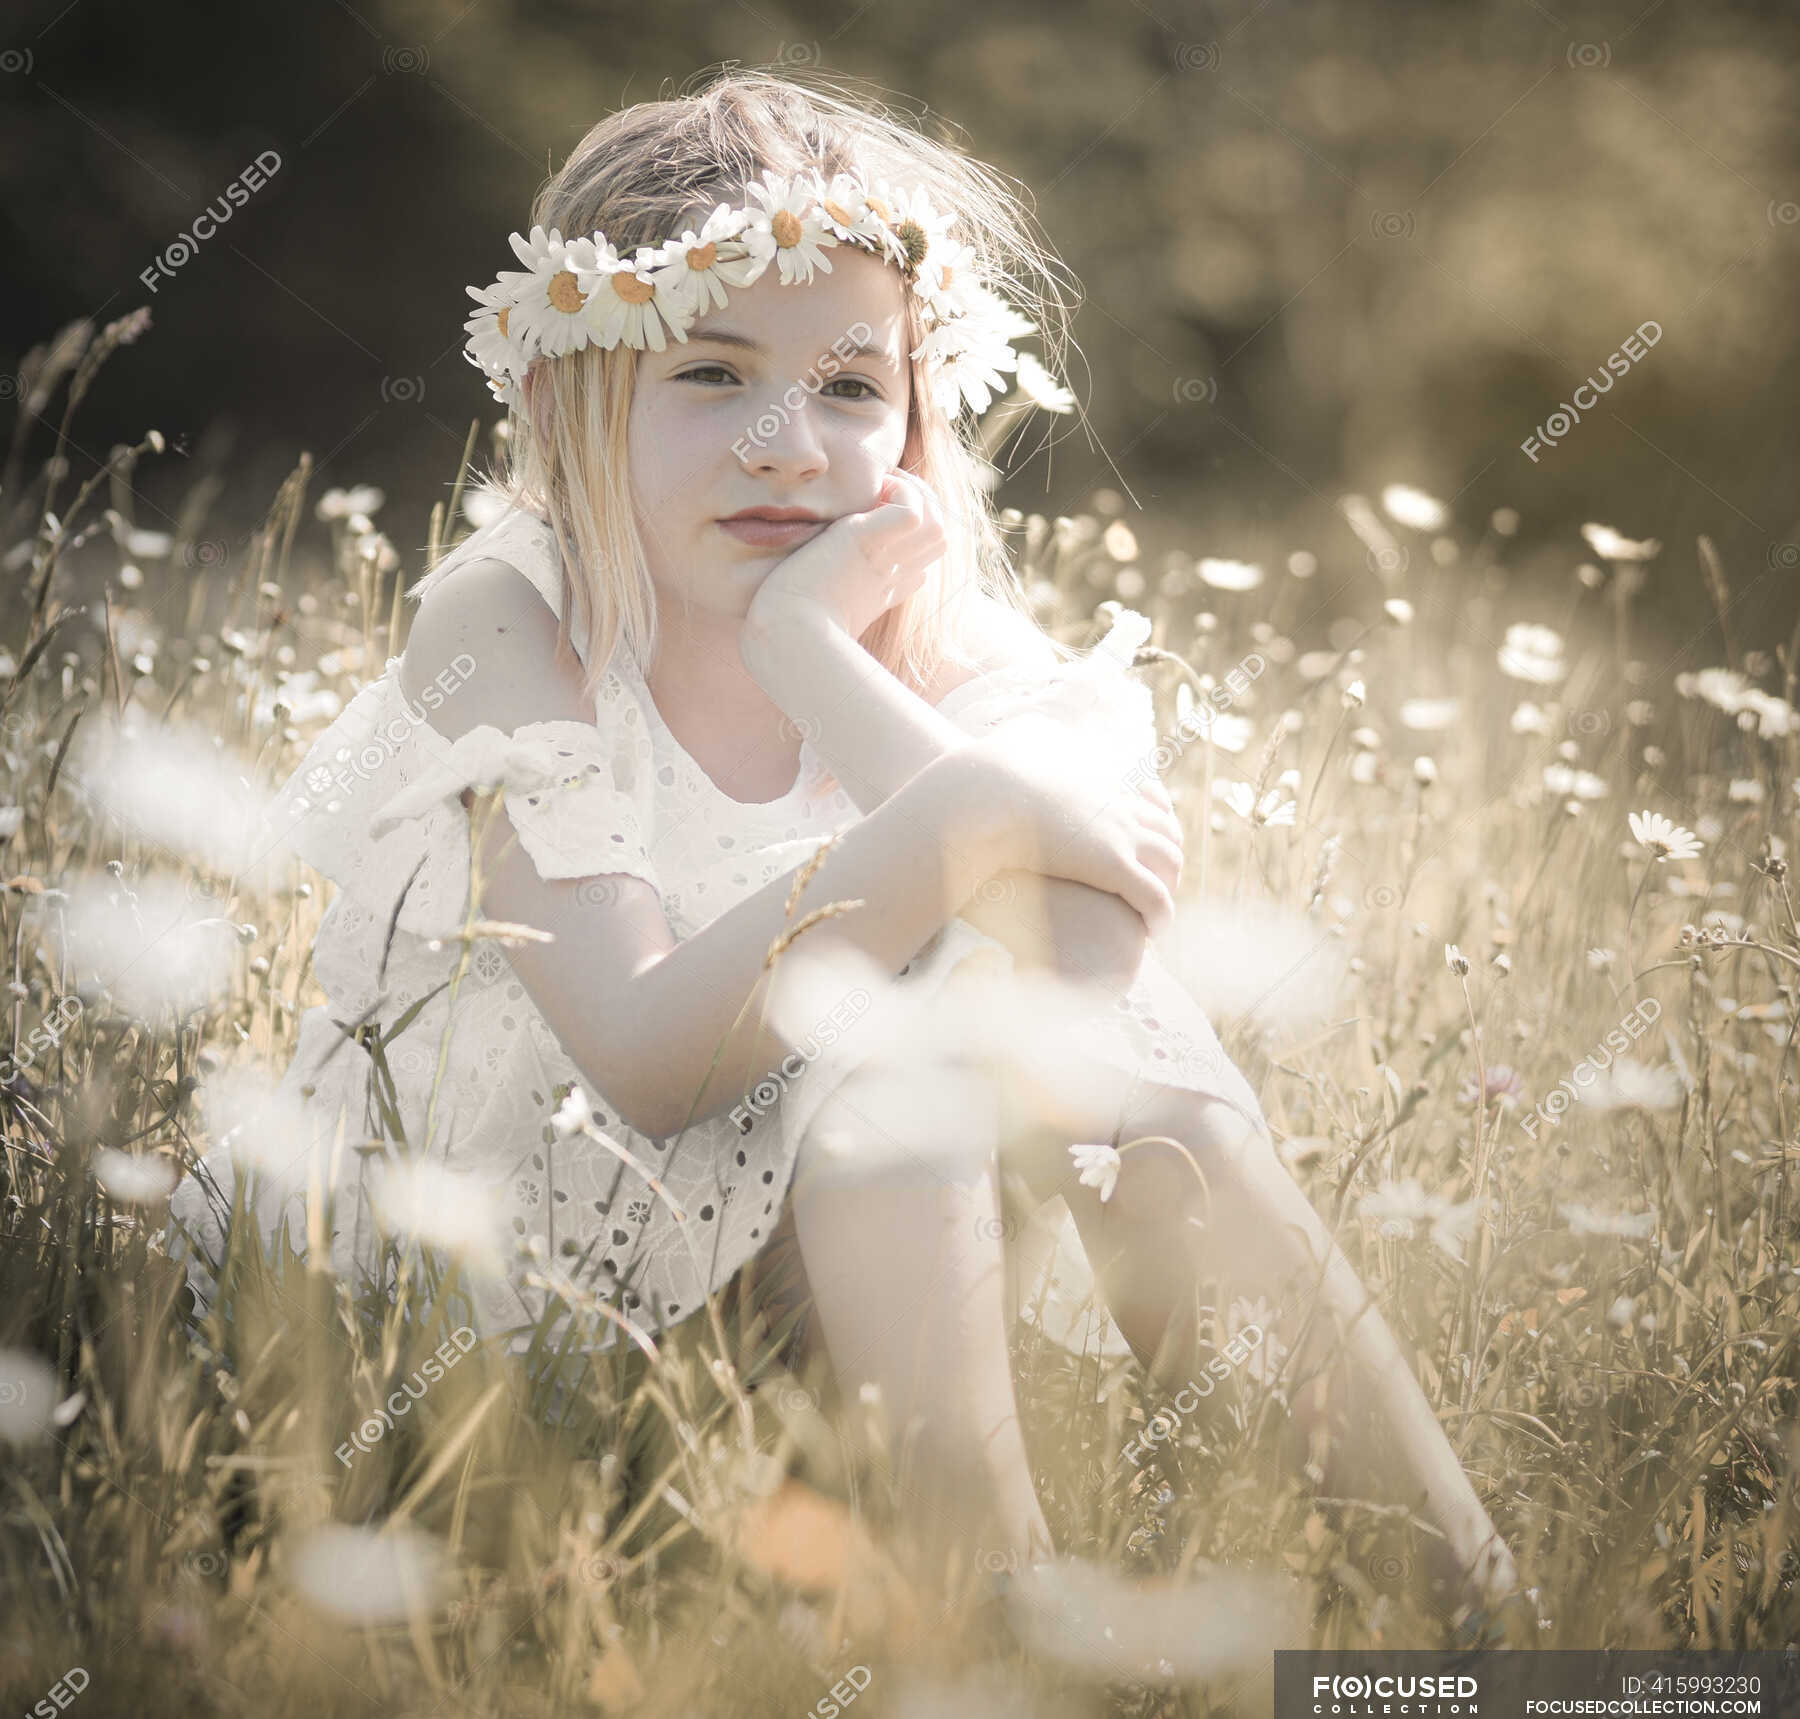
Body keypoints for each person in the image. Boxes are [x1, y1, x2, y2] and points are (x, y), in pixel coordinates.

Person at [162, 67, 1516, 1619]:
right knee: (896, 1107)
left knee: (1159, 1128)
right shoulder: (514, 627)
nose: (787, 446)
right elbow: (652, 1063)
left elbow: (1091, 974)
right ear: (565, 395)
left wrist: (821, 657)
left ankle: (1473, 1631)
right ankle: (1004, 1639)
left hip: (837, 1288)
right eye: (713, 374)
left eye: (852, 389)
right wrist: (955, 819)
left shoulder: (954, 655)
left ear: (924, 424)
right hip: (519, 1309)